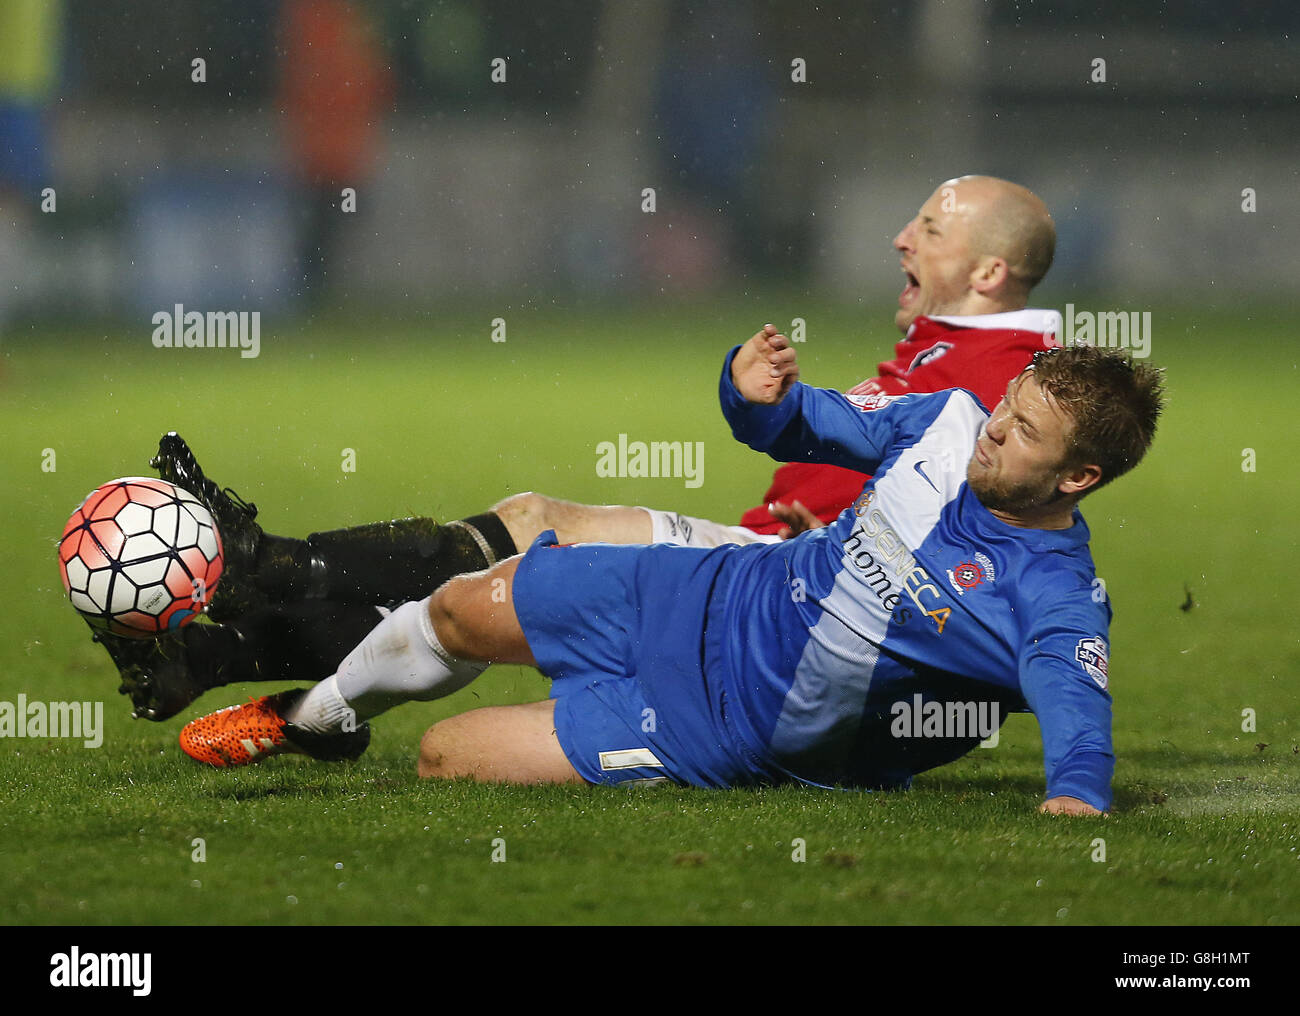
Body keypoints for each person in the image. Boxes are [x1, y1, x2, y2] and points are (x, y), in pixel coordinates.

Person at [86, 174, 1061, 720]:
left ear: (984, 269)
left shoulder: (1012, 372)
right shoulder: (958, 349)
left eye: (925, 228)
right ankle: (219, 647)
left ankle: (262, 570)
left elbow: (997, 532)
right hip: (785, 568)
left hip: (804, 600)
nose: (901, 236)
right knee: (487, 593)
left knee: (523, 537)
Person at [179, 329, 1165, 817]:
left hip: (719, 726)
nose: (995, 425)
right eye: (1010, 401)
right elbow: (802, 423)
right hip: (694, 594)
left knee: (446, 754)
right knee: (458, 608)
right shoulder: (947, 419)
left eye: (1024, 429)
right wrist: (751, 390)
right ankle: (314, 717)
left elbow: (1075, 701)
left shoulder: (1049, 592)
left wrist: (1074, 794)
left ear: (1078, 474)